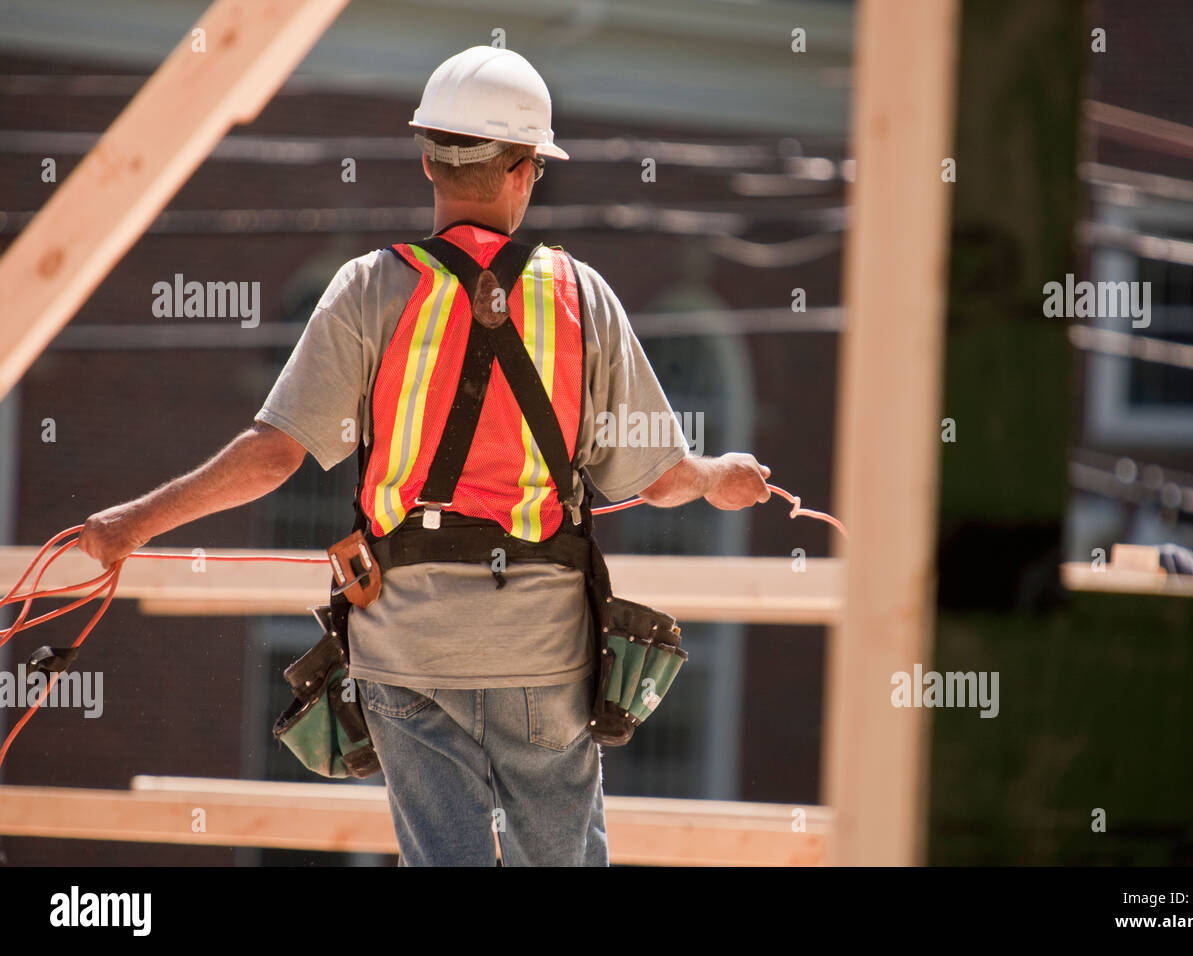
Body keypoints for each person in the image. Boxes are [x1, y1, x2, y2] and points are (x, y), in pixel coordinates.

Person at [77, 45, 770, 866]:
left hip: (405, 651)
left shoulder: (369, 289)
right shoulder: (581, 297)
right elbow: (656, 479)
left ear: (426, 159)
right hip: (542, 654)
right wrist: (719, 476)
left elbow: (272, 458)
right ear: (523, 169)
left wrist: (132, 524)